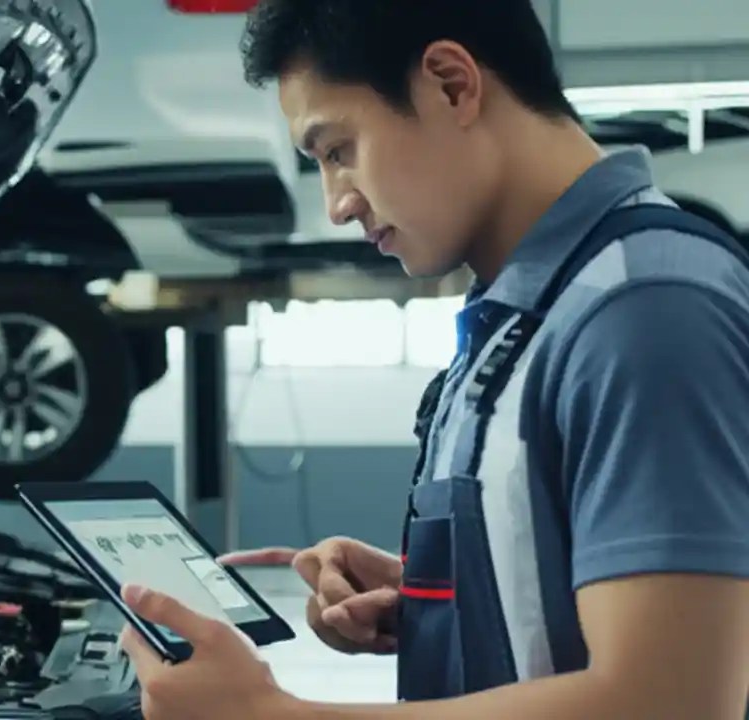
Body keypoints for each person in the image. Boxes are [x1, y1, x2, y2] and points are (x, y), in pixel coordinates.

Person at [114, 1, 749, 718]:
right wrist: (438, 593)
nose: (337, 205)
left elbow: (670, 700)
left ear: (452, 85)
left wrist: (270, 717)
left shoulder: (642, 310)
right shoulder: (530, 314)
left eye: (337, 150)